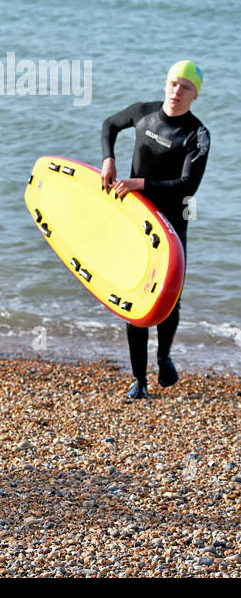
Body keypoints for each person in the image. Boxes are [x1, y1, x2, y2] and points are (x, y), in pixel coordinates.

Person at [100, 60, 210, 401]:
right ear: (166, 84)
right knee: (135, 295)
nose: (177, 91)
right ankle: (139, 381)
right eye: (174, 83)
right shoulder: (143, 113)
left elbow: (187, 185)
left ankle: (163, 357)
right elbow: (109, 125)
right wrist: (109, 160)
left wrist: (139, 183)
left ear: (195, 95)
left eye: (186, 87)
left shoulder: (197, 134)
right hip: (136, 217)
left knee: (169, 299)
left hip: (172, 224)